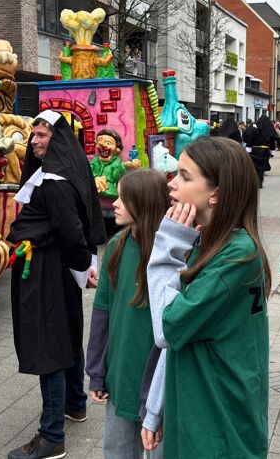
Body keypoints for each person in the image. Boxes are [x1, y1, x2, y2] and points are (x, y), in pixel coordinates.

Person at [140, 137, 271, 457]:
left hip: (216, 425)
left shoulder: (235, 255)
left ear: (216, 193)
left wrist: (167, 248)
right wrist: (157, 409)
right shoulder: (214, 242)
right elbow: (179, 338)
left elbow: (167, 328)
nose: (171, 183)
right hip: (204, 410)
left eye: (185, 176)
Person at [7, 110, 107, 459]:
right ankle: (74, 404)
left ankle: (51, 437)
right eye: (32, 135)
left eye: (42, 135)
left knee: (48, 344)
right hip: (52, 268)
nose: (34, 141)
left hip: (47, 270)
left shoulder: (55, 181)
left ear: (58, 140)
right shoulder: (56, 174)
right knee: (65, 335)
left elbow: (71, 232)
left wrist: (85, 268)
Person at [86, 169, 170, 458]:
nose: (116, 204)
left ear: (144, 202)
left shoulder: (172, 253)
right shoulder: (117, 247)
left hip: (161, 384)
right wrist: (97, 370)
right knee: (118, 450)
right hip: (121, 375)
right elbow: (102, 312)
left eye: (124, 197)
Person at [243, 114, 278, 188]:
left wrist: (248, 148)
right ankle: (260, 182)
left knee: (254, 166)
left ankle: (254, 181)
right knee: (261, 168)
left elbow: (249, 138)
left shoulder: (253, 129)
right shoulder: (269, 129)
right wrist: (272, 151)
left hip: (254, 150)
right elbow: (272, 141)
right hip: (265, 151)